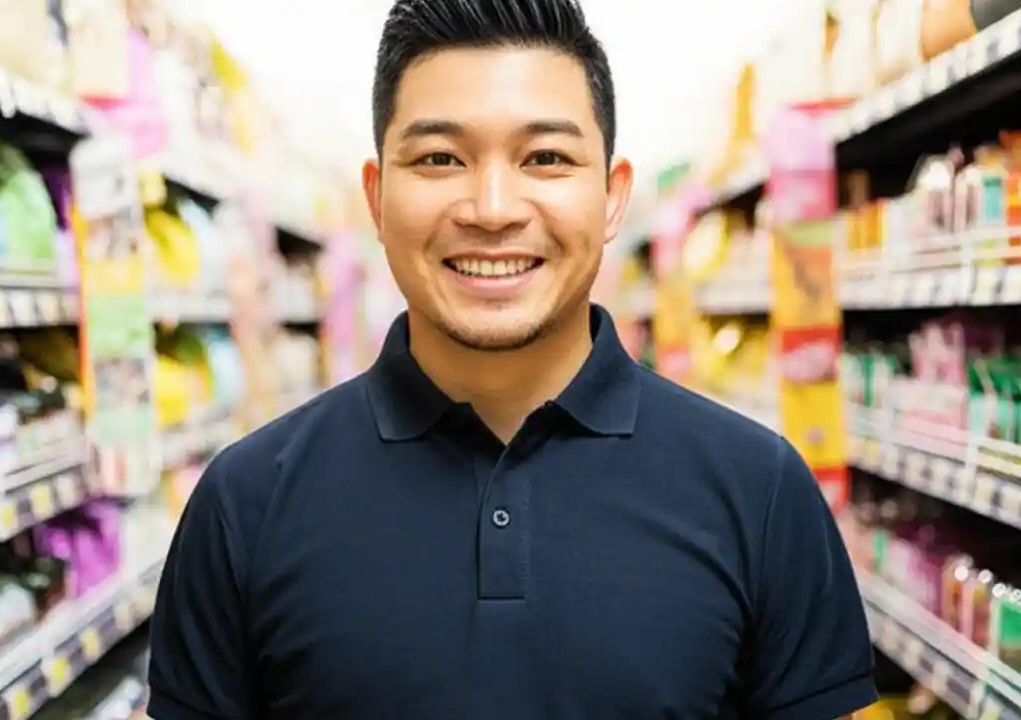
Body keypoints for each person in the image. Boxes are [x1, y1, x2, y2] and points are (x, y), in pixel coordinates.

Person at [147, 0, 878, 717]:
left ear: (612, 197)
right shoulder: (243, 504)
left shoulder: (761, 491)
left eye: (546, 158)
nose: (492, 208)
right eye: (439, 158)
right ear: (375, 198)